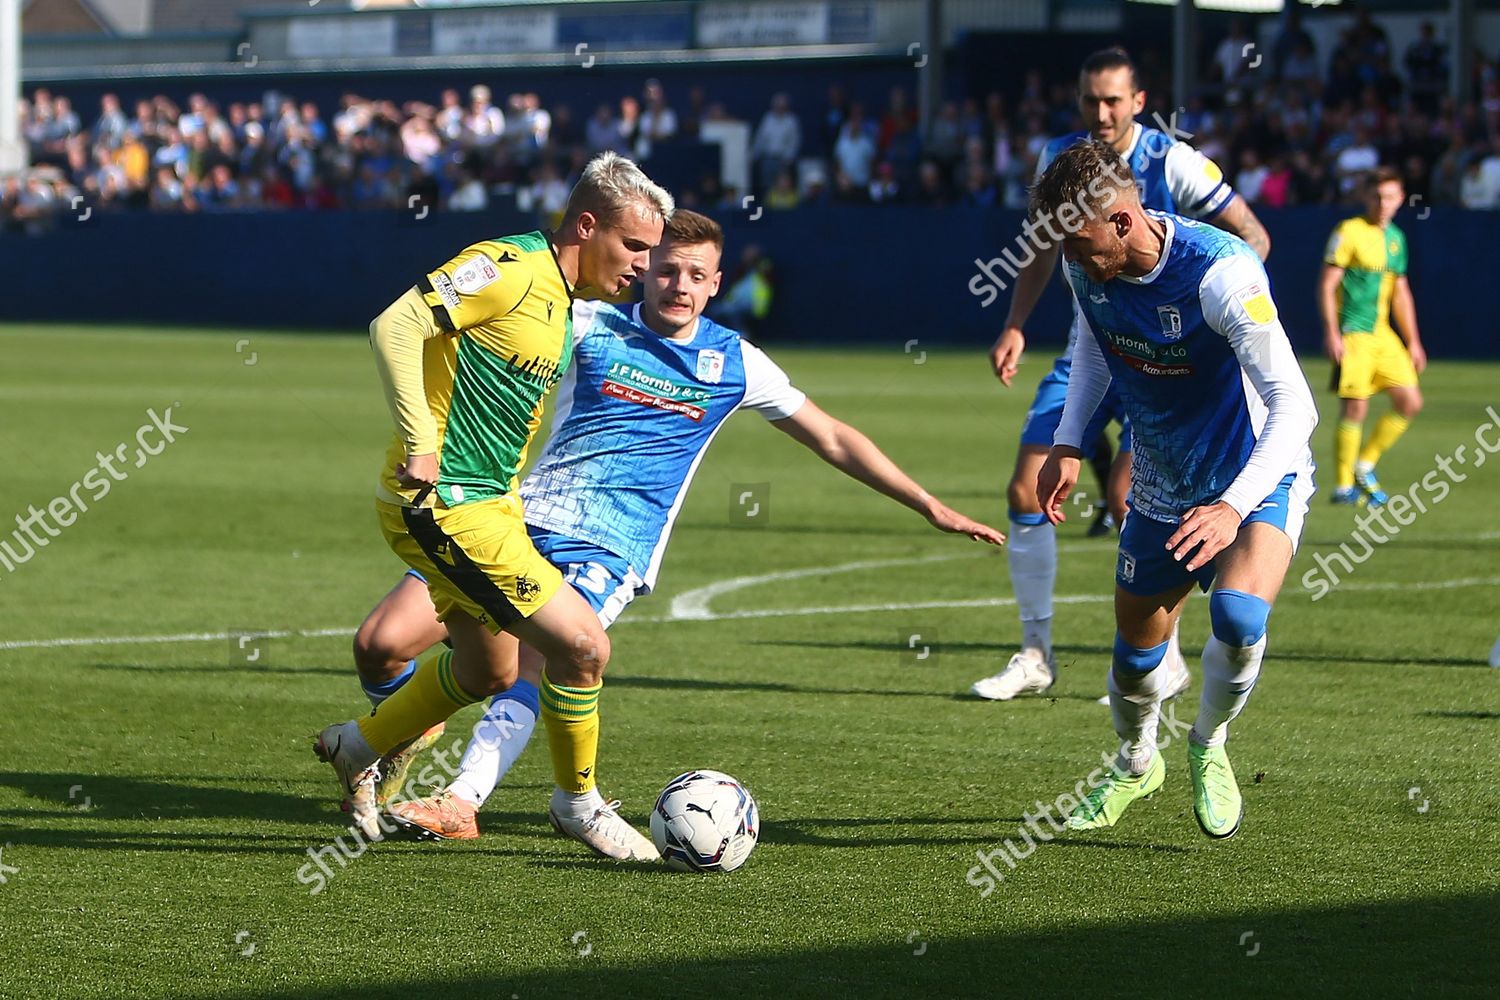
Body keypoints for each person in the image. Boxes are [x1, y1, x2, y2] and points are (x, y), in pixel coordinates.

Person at [348, 210, 1004, 840]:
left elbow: (831, 437)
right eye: (666, 270)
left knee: (538, 660)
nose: (679, 286)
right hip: (508, 524)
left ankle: (461, 801)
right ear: (643, 268)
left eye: (696, 275)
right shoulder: (589, 323)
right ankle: (412, 729)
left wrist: (929, 505)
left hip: (610, 549)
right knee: (380, 643)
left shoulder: (735, 362)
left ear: (718, 282)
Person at [312, 152, 674, 862]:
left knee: (490, 673)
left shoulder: (569, 300)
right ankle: (578, 805)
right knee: (581, 645)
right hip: (446, 503)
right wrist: (420, 442)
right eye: (634, 246)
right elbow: (395, 325)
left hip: (492, 506)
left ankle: (359, 747)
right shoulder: (507, 266)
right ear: (587, 225)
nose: (643, 266)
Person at [1033, 140, 1318, 839]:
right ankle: (1135, 764)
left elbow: (1295, 404)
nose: (1068, 257)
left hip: (1257, 469)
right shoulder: (1086, 268)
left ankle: (1207, 744)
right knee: (1135, 659)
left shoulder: (1221, 275)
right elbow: (1095, 346)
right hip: (1162, 482)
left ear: (1124, 223)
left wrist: (1231, 505)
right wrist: (1069, 441)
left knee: (1240, 618)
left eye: (1078, 241)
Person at [974, 47, 1272, 702]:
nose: (1100, 112)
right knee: (1027, 491)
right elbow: (1039, 250)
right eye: (1089, 100)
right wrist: (1017, 323)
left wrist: (1231, 317)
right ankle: (1035, 653)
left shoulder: (1175, 161)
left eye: (1113, 100)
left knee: (1130, 503)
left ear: (1139, 102)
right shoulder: (1059, 158)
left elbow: (1251, 235)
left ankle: (1156, 652)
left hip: (1176, 366)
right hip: (1096, 341)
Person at [1319, 167, 1426, 507]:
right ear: (1366, 197)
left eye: (1390, 197)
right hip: (1354, 333)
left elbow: (1400, 293)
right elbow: (1327, 284)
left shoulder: (1396, 238)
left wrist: (1413, 341)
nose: (1383, 204)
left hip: (1383, 335)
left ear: (1400, 200)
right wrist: (1332, 332)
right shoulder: (1348, 231)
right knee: (1355, 408)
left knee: (1410, 402)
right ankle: (1342, 485)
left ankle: (1364, 465)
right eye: (1377, 197)